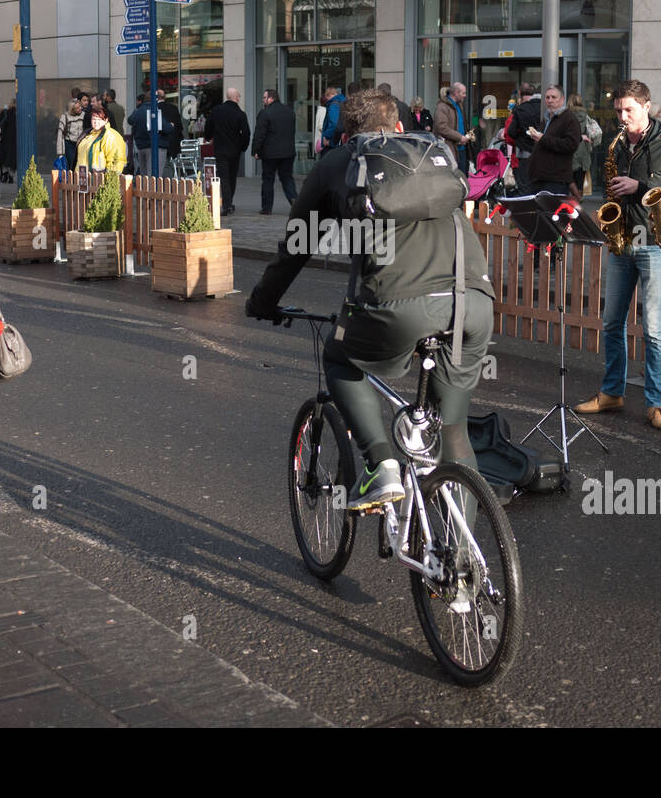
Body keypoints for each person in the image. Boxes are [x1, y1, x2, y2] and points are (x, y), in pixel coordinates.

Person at [245, 89, 494, 510]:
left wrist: (262, 302)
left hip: (398, 306)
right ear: (398, 126)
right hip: (473, 300)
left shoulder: (340, 163)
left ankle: (381, 465)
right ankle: (462, 548)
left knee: (340, 359)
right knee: (453, 432)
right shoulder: (431, 153)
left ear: (347, 136)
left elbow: (296, 247)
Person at [574, 81, 661, 432]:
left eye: (629, 110)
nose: (623, 117)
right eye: (619, 111)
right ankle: (612, 392)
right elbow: (612, 188)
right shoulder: (618, 144)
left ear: (646, 106)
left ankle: (656, 403)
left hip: (654, 241)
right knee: (612, 322)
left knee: (653, 329)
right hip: (622, 240)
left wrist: (639, 187)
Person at [524, 85, 581, 195]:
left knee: (552, 207)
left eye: (554, 97)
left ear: (562, 99)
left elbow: (570, 145)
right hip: (539, 178)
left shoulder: (569, 119)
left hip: (555, 179)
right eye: (547, 97)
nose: (550, 100)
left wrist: (543, 139)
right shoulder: (547, 118)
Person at [253, 88, 298, 214]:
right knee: (287, 178)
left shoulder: (265, 113)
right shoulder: (289, 112)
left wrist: (256, 150)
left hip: (270, 153)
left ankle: (267, 208)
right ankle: (296, 203)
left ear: (271, 98)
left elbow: (259, 134)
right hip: (288, 152)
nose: (263, 100)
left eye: (264, 97)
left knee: (268, 179)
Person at [207, 87, 250, 215]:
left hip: (220, 149)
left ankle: (227, 204)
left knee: (224, 177)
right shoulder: (240, 114)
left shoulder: (216, 110)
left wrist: (208, 137)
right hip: (235, 150)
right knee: (232, 177)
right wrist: (243, 147)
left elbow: (208, 126)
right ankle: (228, 203)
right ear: (236, 97)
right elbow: (246, 134)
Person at [504, 83, 543, 185]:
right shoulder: (546, 109)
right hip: (544, 155)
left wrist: (520, 140)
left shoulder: (520, 110)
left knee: (525, 187)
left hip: (523, 154)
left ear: (520, 95)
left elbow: (510, 134)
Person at [568, 92, 603, 198]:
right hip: (584, 150)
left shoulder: (566, 116)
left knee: (568, 178)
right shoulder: (586, 116)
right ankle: (579, 199)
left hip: (570, 149)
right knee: (580, 180)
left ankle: (576, 200)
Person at [434, 81, 473, 173]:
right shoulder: (442, 106)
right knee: (452, 176)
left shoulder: (459, 105)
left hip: (462, 149)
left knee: (463, 176)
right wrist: (459, 137)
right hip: (449, 149)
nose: (465, 95)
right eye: (463, 93)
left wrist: (467, 136)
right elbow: (441, 127)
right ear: (456, 93)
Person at [128, 97, 173, 175]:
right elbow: (165, 127)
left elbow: (130, 120)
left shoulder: (138, 111)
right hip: (155, 147)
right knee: (154, 176)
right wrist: (171, 125)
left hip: (141, 147)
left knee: (144, 175)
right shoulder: (154, 110)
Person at [77, 103, 128, 173]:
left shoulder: (111, 136)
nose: (96, 122)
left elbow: (116, 160)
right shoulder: (88, 134)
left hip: (99, 177)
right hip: (82, 176)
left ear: (106, 120)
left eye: (99, 119)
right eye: (94, 119)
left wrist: (110, 177)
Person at [57, 93, 87, 170]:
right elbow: (60, 134)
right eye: (77, 108)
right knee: (71, 163)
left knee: (81, 163)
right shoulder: (65, 116)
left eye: (80, 107)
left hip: (81, 142)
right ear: (72, 109)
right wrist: (60, 153)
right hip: (70, 143)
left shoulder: (84, 115)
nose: (80, 109)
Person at [319, 85, 345, 151]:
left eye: (326, 97)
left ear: (329, 95)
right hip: (341, 139)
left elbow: (333, 123)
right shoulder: (343, 102)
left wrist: (326, 136)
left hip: (332, 142)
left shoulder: (333, 105)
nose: (327, 100)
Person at [0, 102, 18, 183]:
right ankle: (10, 176)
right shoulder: (17, 115)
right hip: (13, 141)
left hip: (3, 140)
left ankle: (4, 175)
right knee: (11, 159)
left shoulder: (4, 113)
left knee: (3, 159)